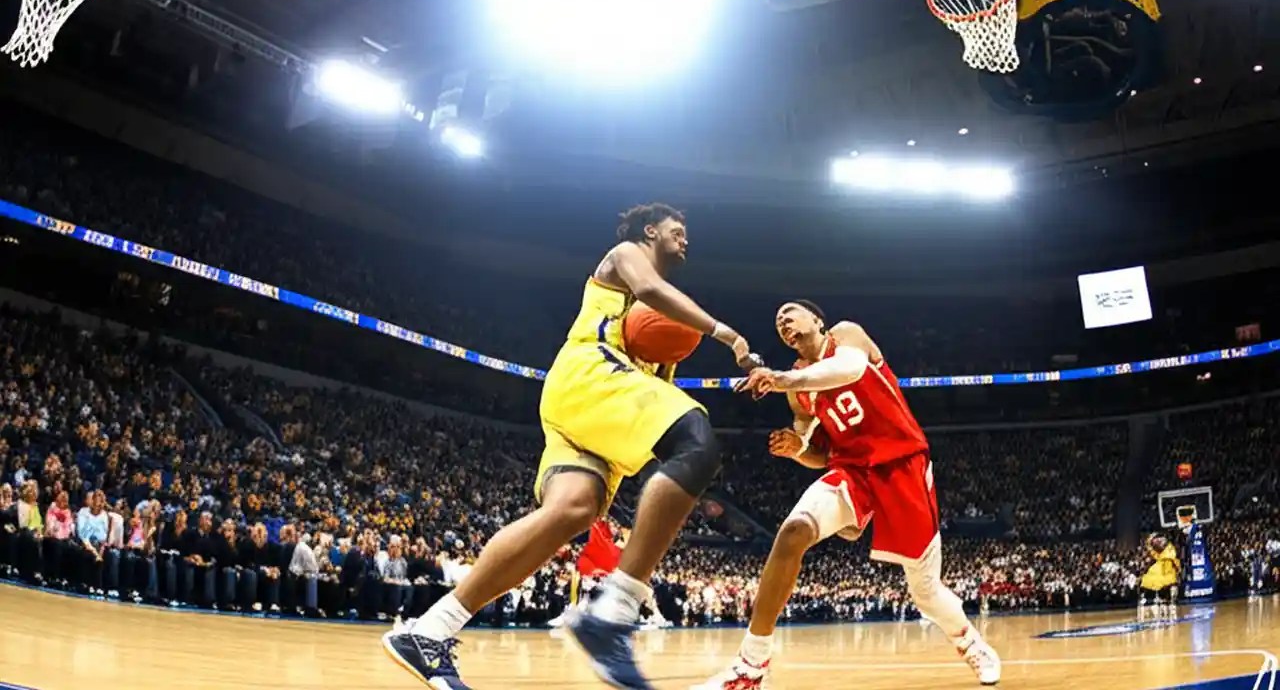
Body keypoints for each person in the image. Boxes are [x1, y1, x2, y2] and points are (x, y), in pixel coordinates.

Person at [383, 203, 755, 690]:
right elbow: (649, 290)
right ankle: (614, 611)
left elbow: (656, 318)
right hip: (591, 372)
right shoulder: (624, 256)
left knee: (572, 510)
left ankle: (429, 632)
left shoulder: (661, 323)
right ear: (650, 232)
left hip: (583, 408)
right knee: (697, 441)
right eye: (677, 231)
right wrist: (724, 333)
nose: (685, 240)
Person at [695, 300, 1002, 689]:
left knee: (924, 592)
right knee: (792, 532)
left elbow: (850, 370)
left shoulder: (846, 335)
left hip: (900, 464)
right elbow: (817, 454)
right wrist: (798, 448)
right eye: (777, 321)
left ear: (817, 320)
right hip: (852, 472)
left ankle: (971, 644)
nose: (783, 321)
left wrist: (782, 380)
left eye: (790, 313)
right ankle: (751, 666)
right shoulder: (797, 390)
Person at [1139, 533, 1179, 619]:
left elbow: (1160, 553)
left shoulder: (1169, 550)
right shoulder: (1164, 554)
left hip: (1167, 573)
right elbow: (1156, 554)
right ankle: (1163, 612)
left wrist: (1150, 543)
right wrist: (1149, 545)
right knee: (1164, 595)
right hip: (1163, 574)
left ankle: (1168, 612)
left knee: (1167, 595)